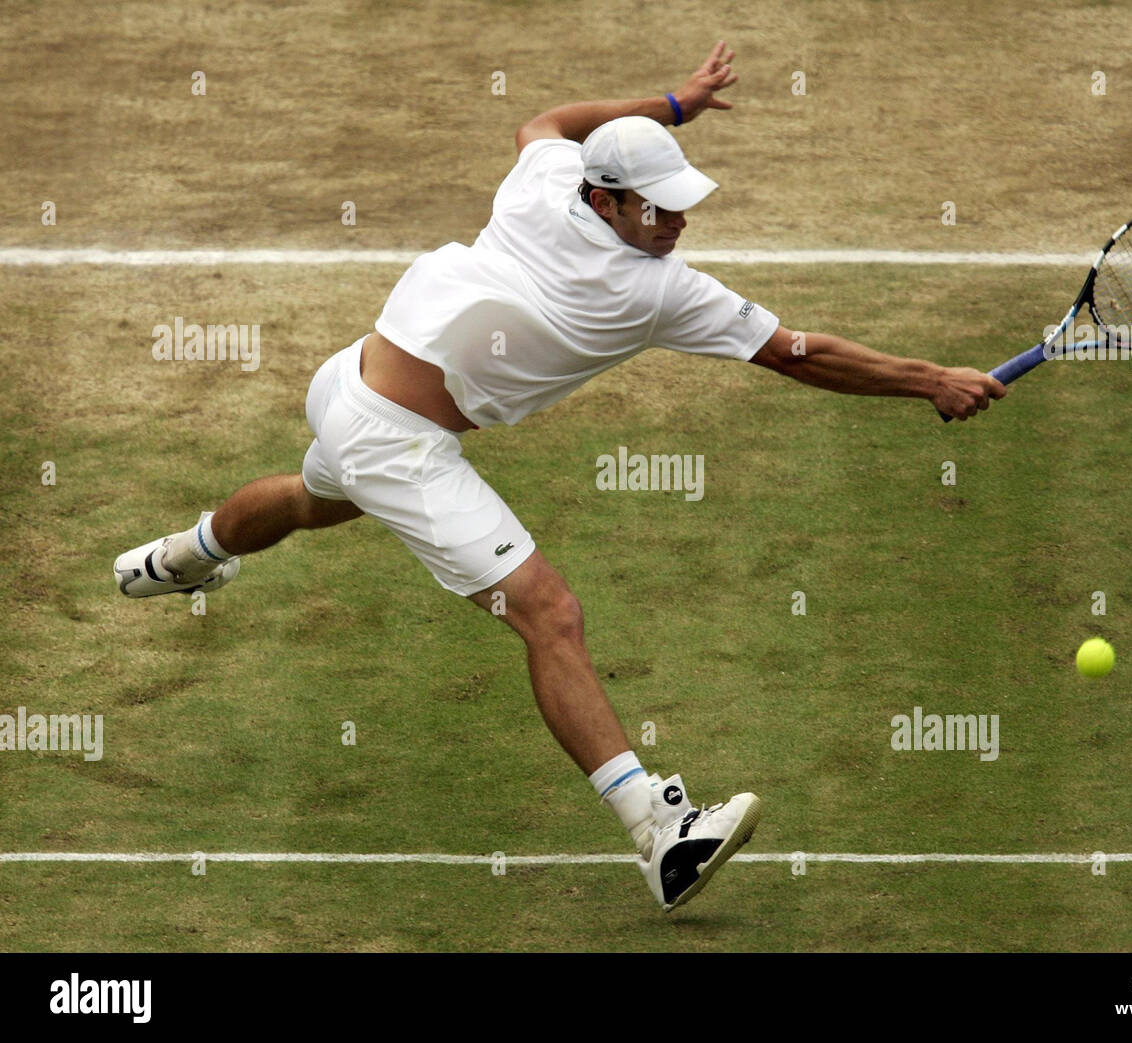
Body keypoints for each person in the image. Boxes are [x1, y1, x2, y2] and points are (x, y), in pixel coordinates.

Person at [114, 41, 1005, 913]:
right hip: (398, 442)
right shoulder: (659, 292)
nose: (678, 223)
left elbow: (539, 122)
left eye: (681, 204)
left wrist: (671, 107)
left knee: (314, 500)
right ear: (607, 199)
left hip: (349, 382)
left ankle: (180, 557)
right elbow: (798, 354)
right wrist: (932, 379)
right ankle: (661, 835)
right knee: (549, 612)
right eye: (657, 208)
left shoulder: (546, 185)